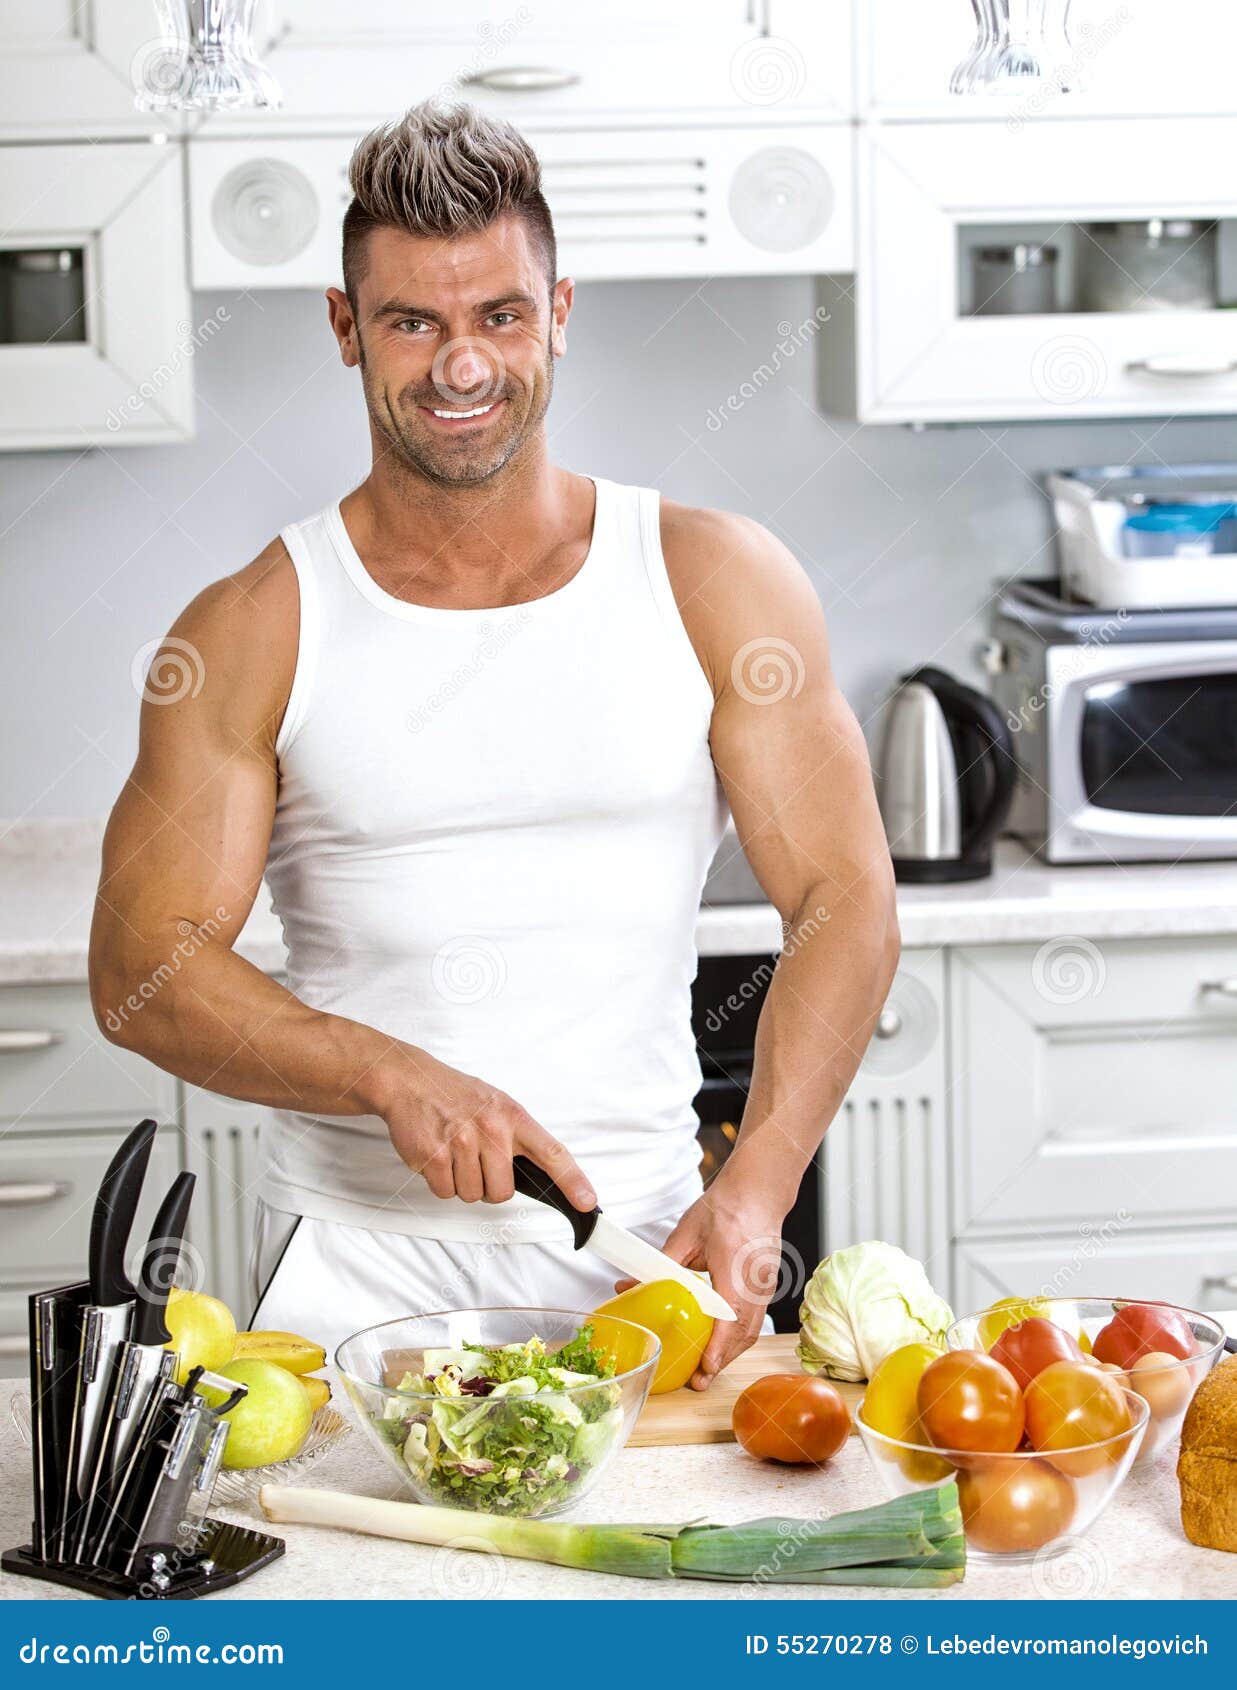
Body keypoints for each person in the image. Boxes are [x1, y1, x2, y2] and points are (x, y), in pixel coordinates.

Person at [89, 102, 898, 1379]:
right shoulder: (254, 625)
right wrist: (386, 1072)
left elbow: (844, 897)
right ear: (347, 328)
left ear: (559, 313)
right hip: (349, 1265)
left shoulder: (715, 579)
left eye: (499, 316)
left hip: (637, 1245)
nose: (460, 366)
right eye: (414, 320)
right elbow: (140, 969)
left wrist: (757, 1186)